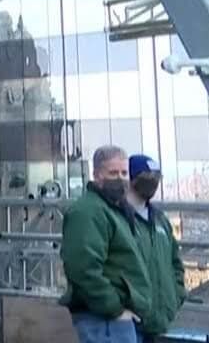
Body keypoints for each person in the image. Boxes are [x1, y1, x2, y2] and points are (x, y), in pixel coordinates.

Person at [61, 145, 151, 343]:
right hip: (102, 322)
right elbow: (83, 268)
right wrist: (115, 309)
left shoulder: (114, 209)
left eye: (124, 172)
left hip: (115, 321)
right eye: (113, 173)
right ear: (97, 175)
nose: (120, 178)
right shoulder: (88, 212)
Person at [123, 154, 186, 342]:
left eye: (156, 178)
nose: (153, 183)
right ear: (130, 180)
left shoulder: (161, 220)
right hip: (130, 324)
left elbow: (175, 262)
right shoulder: (118, 219)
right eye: (147, 177)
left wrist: (176, 295)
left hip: (160, 321)